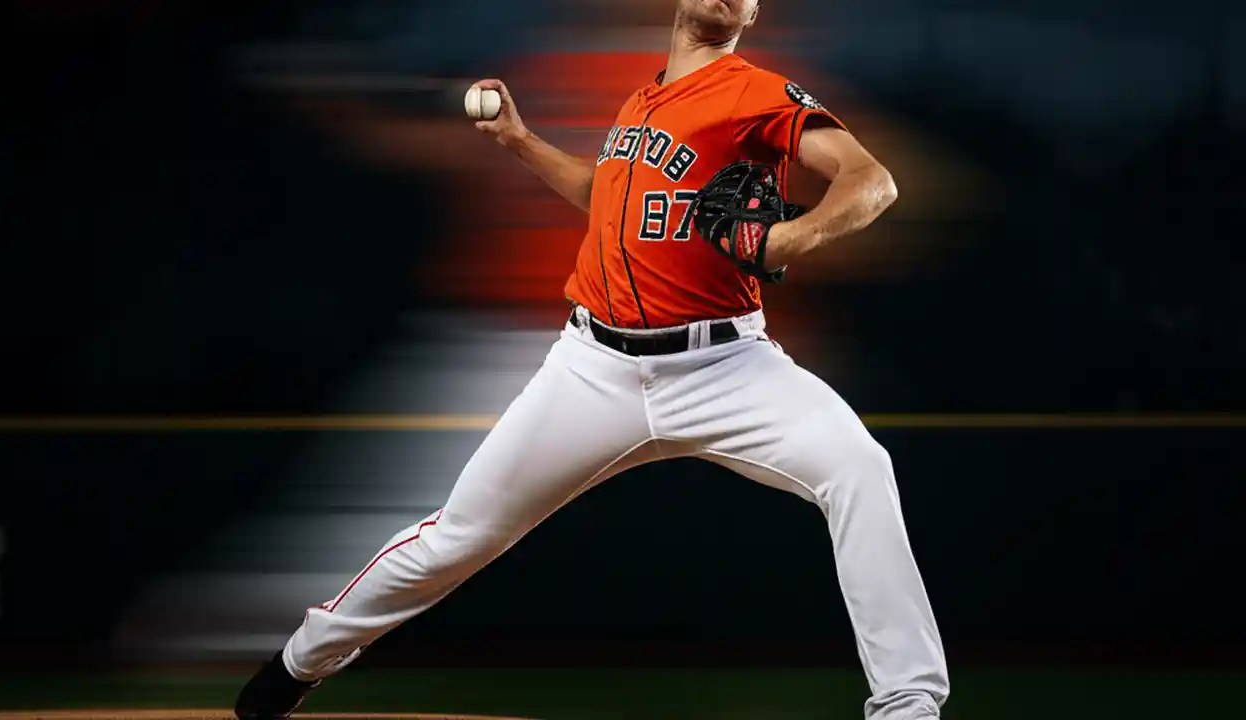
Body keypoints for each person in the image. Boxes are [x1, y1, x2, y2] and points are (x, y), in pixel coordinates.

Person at [234, 1, 948, 718]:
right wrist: (519, 142)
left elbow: (872, 180)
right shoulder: (642, 101)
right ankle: (300, 662)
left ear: (753, 13)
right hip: (592, 370)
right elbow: (599, 195)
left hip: (727, 368)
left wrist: (795, 240)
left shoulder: (755, 92)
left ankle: (908, 706)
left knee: (859, 468)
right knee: (457, 537)